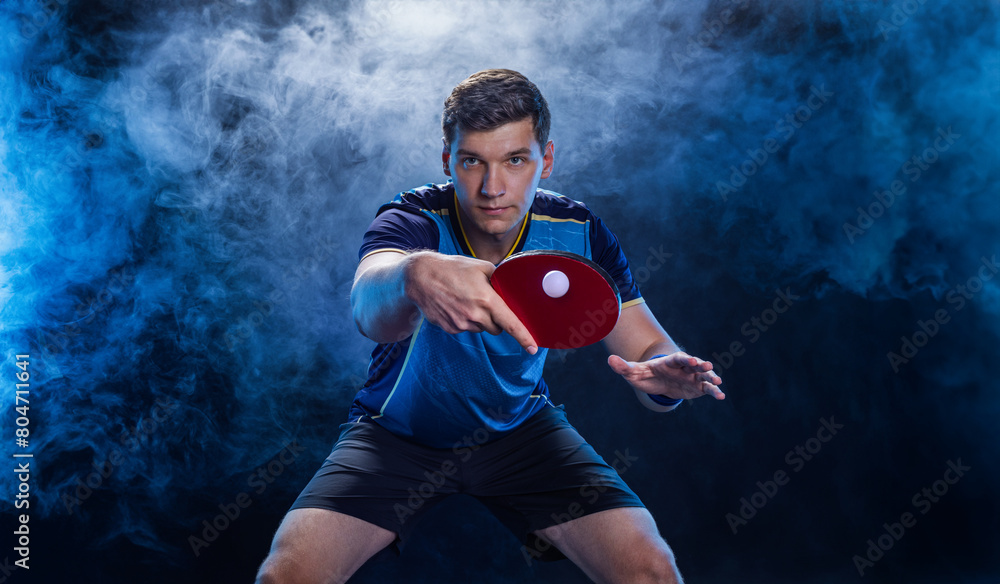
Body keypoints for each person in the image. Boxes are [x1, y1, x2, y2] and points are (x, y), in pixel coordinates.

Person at [256, 68, 725, 584]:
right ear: (447, 161)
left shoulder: (578, 230)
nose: (491, 187)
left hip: (522, 432)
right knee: (287, 576)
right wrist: (414, 274)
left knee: (651, 571)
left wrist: (664, 377)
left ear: (545, 160)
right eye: (472, 161)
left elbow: (648, 346)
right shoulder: (411, 218)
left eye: (515, 160)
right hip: (397, 437)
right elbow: (369, 306)